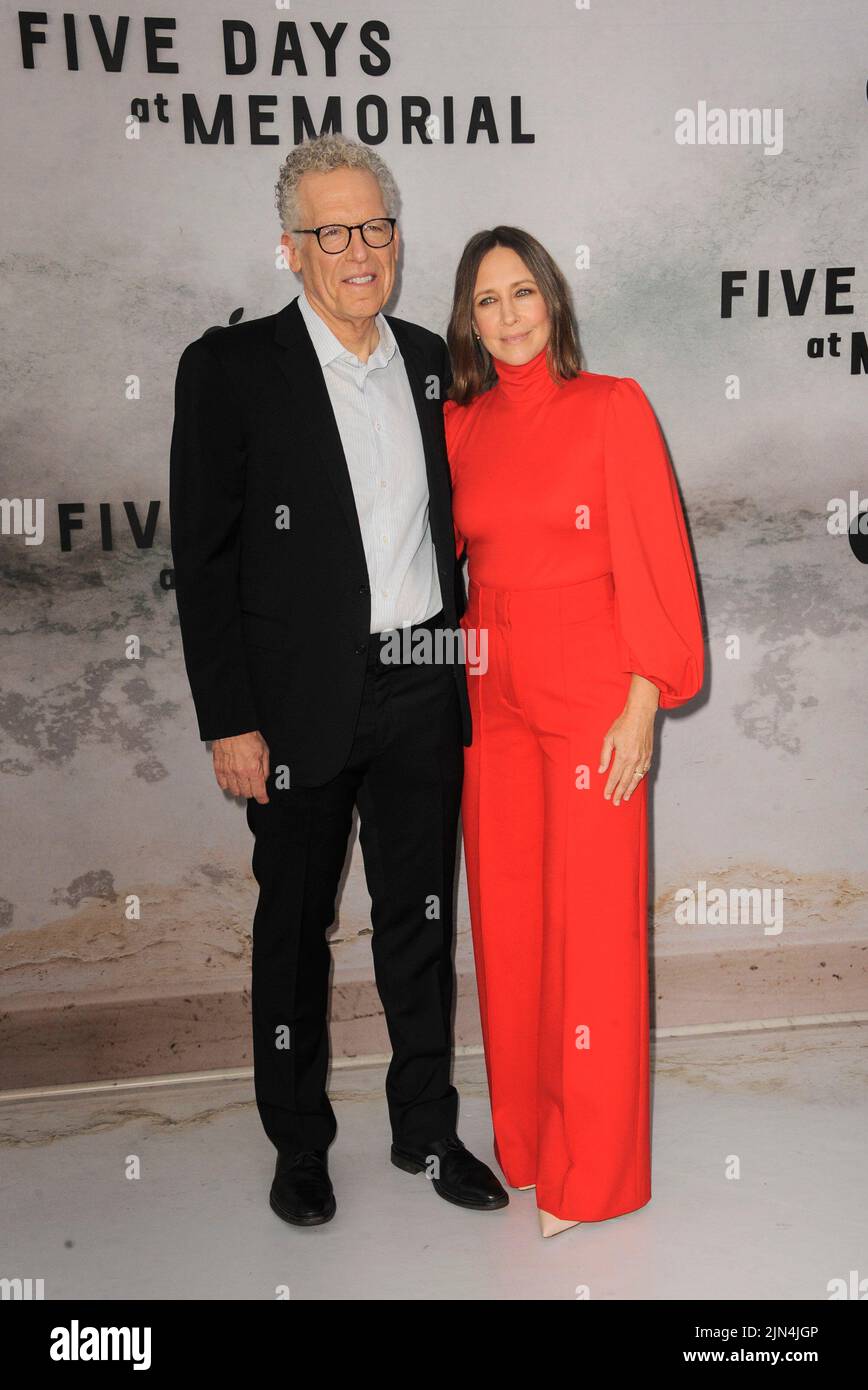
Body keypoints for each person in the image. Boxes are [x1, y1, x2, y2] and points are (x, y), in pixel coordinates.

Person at [169, 134, 507, 1226]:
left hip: (420, 673)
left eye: (376, 226)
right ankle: (299, 1145)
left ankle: (426, 1129)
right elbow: (207, 563)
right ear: (291, 247)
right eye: (332, 231)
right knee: (294, 927)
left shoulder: (428, 361)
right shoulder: (227, 370)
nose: (360, 249)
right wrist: (231, 720)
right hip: (293, 702)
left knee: (418, 915)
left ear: (396, 239)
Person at [443, 227, 704, 1237]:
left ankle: (590, 1171)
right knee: (508, 923)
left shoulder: (612, 407)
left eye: (522, 293)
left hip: (593, 681)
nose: (507, 316)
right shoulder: (463, 422)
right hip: (487, 681)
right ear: (468, 320)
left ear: (552, 301)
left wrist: (642, 698)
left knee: (589, 928)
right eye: (486, 301)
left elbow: (654, 555)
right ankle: (528, 1145)